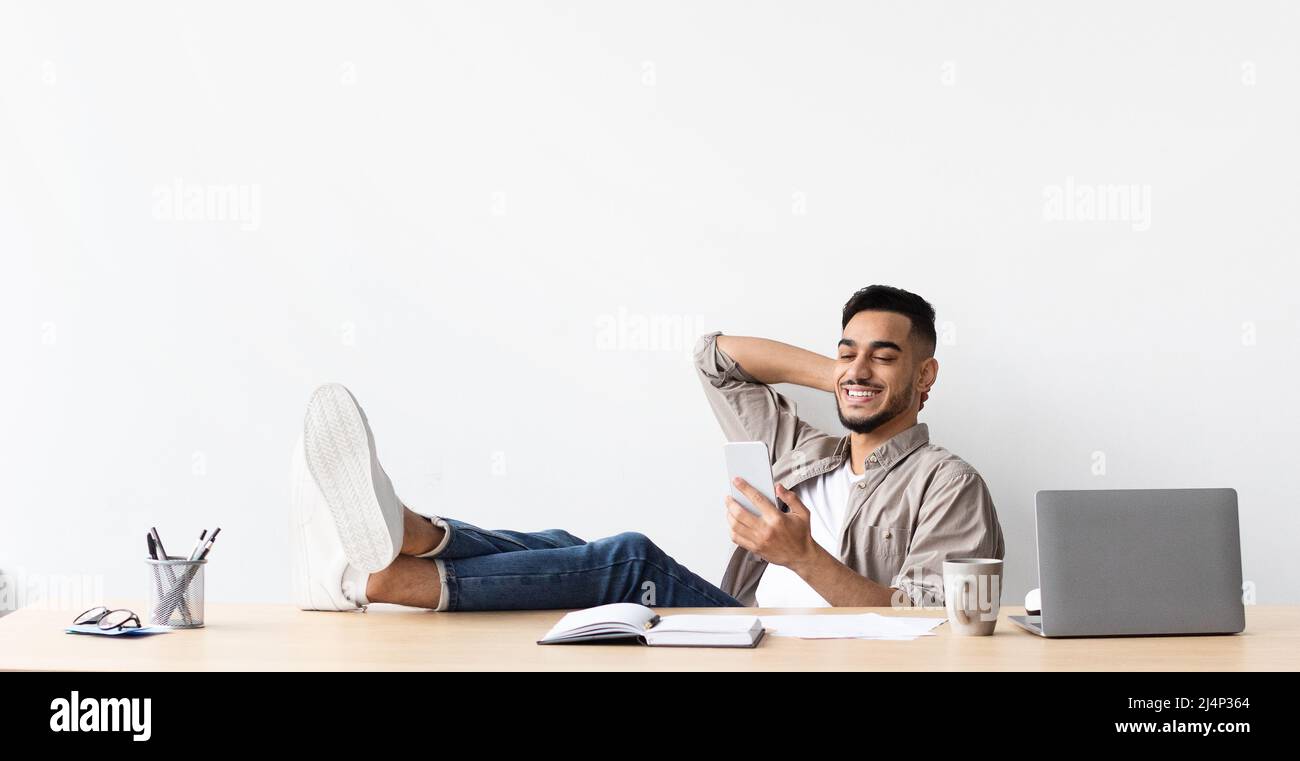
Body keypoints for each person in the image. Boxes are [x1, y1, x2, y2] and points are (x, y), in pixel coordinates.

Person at [292, 284, 1003, 612]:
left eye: (886, 357)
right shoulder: (802, 448)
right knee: (568, 544)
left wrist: (801, 555)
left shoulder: (947, 482)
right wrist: (843, 376)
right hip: (745, 631)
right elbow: (714, 358)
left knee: (628, 561)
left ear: (925, 375)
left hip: (818, 654)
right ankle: (412, 533)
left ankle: (375, 580)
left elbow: (933, 624)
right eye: (849, 351)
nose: (860, 366)